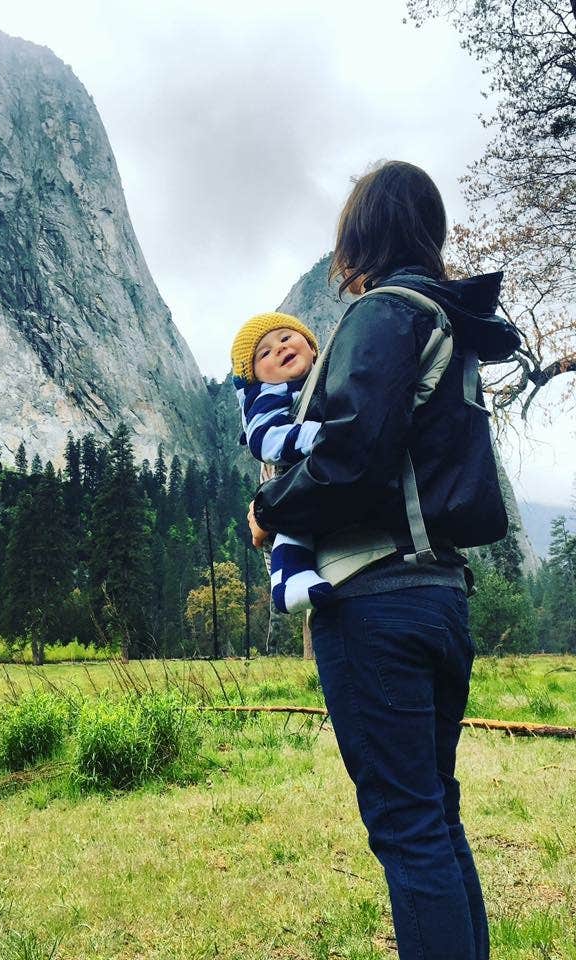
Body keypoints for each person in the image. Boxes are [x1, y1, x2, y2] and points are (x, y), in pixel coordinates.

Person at [247, 160, 521, 960]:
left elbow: (352, 457)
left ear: (359, 233)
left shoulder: (382, 316)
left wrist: (270, 508)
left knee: (407, 830)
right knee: (435, 817)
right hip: (440, 596)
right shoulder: (448, 323)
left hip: (375, 601)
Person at [230, 312, 333, 613]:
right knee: (293, 526)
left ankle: (295, 579)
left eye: (286, 337)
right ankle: (288, 580)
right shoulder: (268, 396)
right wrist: (320, 435)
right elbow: (264, 439)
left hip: (314, 483)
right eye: (264, 353)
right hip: (292, 475)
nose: (279, 348)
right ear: (256, 377)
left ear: (313, 347)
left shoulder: (328, 379)